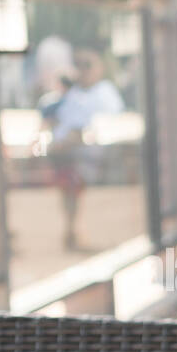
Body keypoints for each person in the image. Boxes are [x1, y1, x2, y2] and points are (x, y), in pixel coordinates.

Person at [43, 46, 123, 251]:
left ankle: (73, 230)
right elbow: (54, 122)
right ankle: (71, 230)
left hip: (85, 155)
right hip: (66, 155)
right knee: (68, 193)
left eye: (87, 65)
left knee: (75, 193)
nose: (82, 71)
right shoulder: (69, 94)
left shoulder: (103, 93)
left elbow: (104, 121)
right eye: (78, 65)